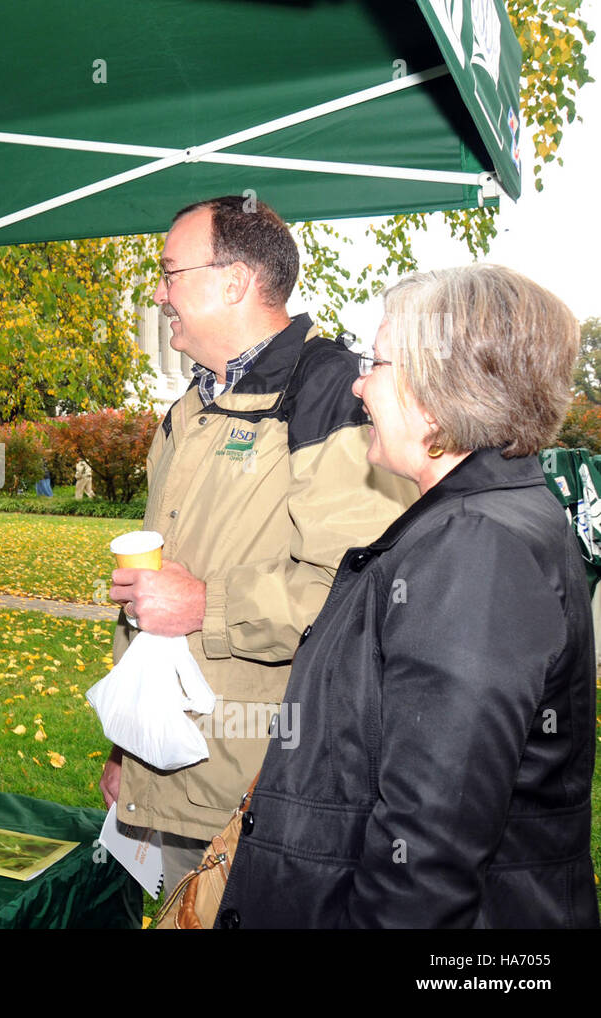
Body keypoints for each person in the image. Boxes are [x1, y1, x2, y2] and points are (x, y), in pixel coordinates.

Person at [216, 266, 600, 928]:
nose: (359, 386)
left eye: (377, 362)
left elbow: (424, 868)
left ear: (438, 388)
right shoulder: (482, 519)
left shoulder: (477, 548)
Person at [104, 195, 414, 882]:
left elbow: (354, 597)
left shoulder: (335, 394)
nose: (158, 294)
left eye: (169, 272)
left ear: (234, 281)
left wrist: (206, 607)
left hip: (272, 797)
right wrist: (128, 750)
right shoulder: (190, 406)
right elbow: (158, 598)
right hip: (172, 782)